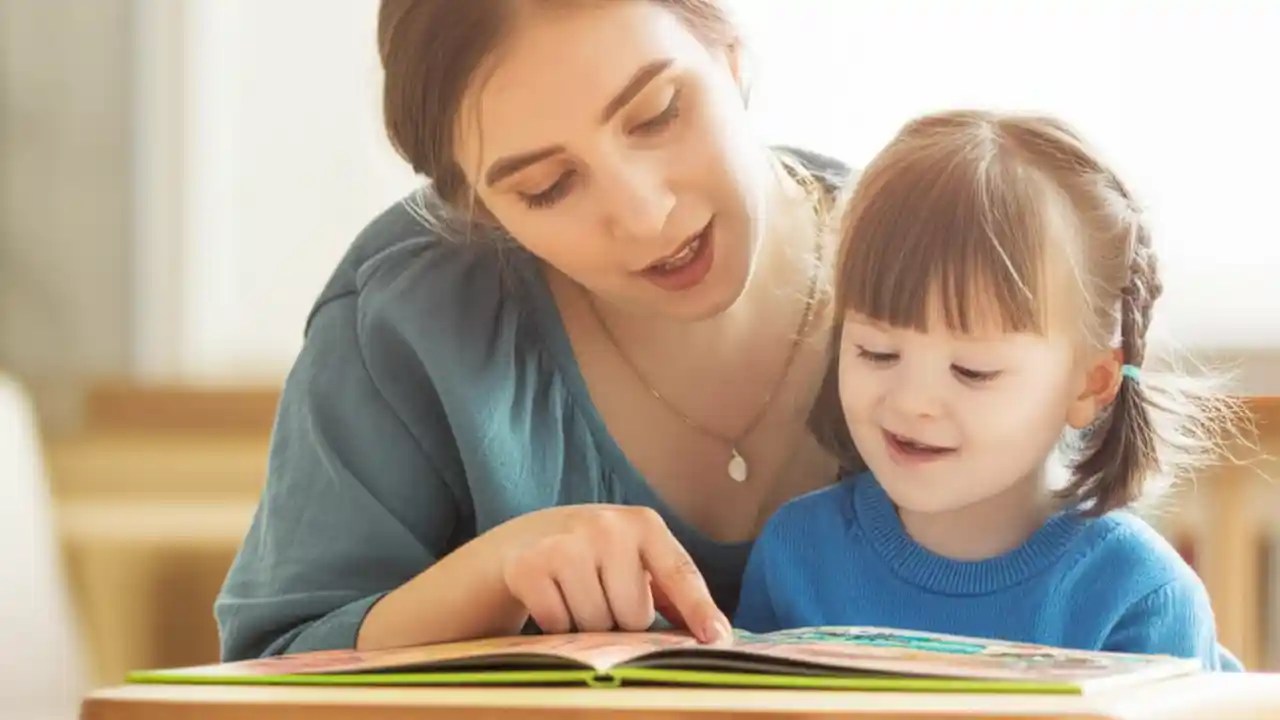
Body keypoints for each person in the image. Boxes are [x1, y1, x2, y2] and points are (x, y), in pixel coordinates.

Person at [215, 0, 852, 661]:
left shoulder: (938, 256)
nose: (644, 214)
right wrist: (491, 576)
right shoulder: (404, 316)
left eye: (658, 114)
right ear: (479, 210)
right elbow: (270, 669)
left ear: (729, 53)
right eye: (548, 188)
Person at [733, 109, 1245, 671]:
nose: (911, 402)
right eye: (876, 353)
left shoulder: (1135, 595)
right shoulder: (798, 554)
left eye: (972, 371)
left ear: (1089, 384)